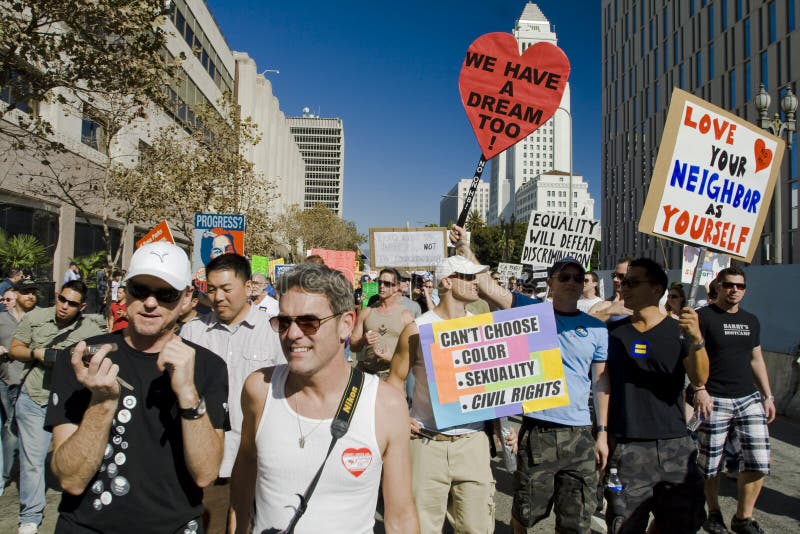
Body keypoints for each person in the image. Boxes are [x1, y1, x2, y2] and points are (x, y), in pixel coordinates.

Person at [45, 241, 227, 533]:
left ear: (187, 298)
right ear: (125, 291)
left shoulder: (208, 366)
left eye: (166, 293)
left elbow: (206, 474)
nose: (151, 302)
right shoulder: (83, 359)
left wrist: (188, 394)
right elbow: (69, 479)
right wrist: (102, 404)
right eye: (140, 290)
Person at [229, 263, 418, 533]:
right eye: (284, 322)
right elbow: (244, 476)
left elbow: (400, 517)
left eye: (309, 322)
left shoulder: (385, 404)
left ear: (346, 325)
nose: (293, 334)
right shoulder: (259, 389)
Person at [388, 255, 511, 534]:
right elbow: (395, 379)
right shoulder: (417, 329)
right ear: (446, 281)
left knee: (477, 527)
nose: (474, 283)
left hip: (473, 443)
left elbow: (496, 384)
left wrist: (504, 428)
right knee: (422, 527)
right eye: (467, 277)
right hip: (427, 442)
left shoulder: (482, 327)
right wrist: (401, 417)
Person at [597, 258, 709, 533]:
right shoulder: (613, 333)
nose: (624, 287)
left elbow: (699, 379)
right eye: (624, 282)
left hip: (675, 444)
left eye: (633, 282)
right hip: (628, 446)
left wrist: (697, 340)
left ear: (657, 289)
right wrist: (602, 433)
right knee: (624, 525)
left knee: (682, 523)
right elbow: (603, 385)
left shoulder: (680, 333)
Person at [181, 253, 284, 532]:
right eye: (211, 289)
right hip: (211, 464)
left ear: (248, 287)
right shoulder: (191, 334)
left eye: (226, 289)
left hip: (261, 463)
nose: (217, 297)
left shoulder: (275, 332)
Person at [509, 257, 609, 533]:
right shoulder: (532, 314)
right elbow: (491, 290)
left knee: (577, 520)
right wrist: (465, 247)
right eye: (564, 277)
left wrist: (602, 433)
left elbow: (600, 383)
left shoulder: (597, 328)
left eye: (579, 278)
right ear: (550, 283)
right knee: (526, 511)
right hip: (539, 431)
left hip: (580, 434)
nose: (573, 282)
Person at [8, 280, 106, 533]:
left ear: (82, 306)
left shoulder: (91, 328)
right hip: (35, 397)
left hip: (70, 402)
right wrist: (36, 354)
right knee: (33, 460)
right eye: (62, 299)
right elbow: (15, 348)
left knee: (77, 459)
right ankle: (30, 515)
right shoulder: (36, 317)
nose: (64, 307)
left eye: (72, 303)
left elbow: (103, 355)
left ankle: (82, 510)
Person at [695, 267, 775, 534]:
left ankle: (743, 518)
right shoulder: (702, 317)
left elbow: (756, 359)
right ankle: (713, 512)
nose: (734, 290)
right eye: (729, 285)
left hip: (747, 398)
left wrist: (768, 395)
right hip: (713, 397)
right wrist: (699, 388)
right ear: (718, 286)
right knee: (710, 465)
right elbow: (691, 356)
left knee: (759, 461)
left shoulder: (751, 320)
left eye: (740, 286)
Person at [0, 282, 39, 491]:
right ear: (16, 294)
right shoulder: (2, 319)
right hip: (6, 379)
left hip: (31, 381)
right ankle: (7, 473)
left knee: (19, 428)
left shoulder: (41, 318)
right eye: (26, 292)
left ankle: (18, 475)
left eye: (34, 292)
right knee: (9, 426)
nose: (30, 296)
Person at [350, 268, 414, 378]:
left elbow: (413, 353)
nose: (381, 286)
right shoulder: (367, 312)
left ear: (396, 287)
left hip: (392, 375)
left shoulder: (406, 316)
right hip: (367, 374)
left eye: (387, 283)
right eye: (379, 282)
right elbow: (353, 346)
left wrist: (392, 358)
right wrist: (362, 341)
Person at [588, 258, 633, 323]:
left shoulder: (644, 305)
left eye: (621, 276)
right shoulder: (603, 305)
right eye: (614, 275)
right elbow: (584, 326)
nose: (615, 279)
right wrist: (608, 312)